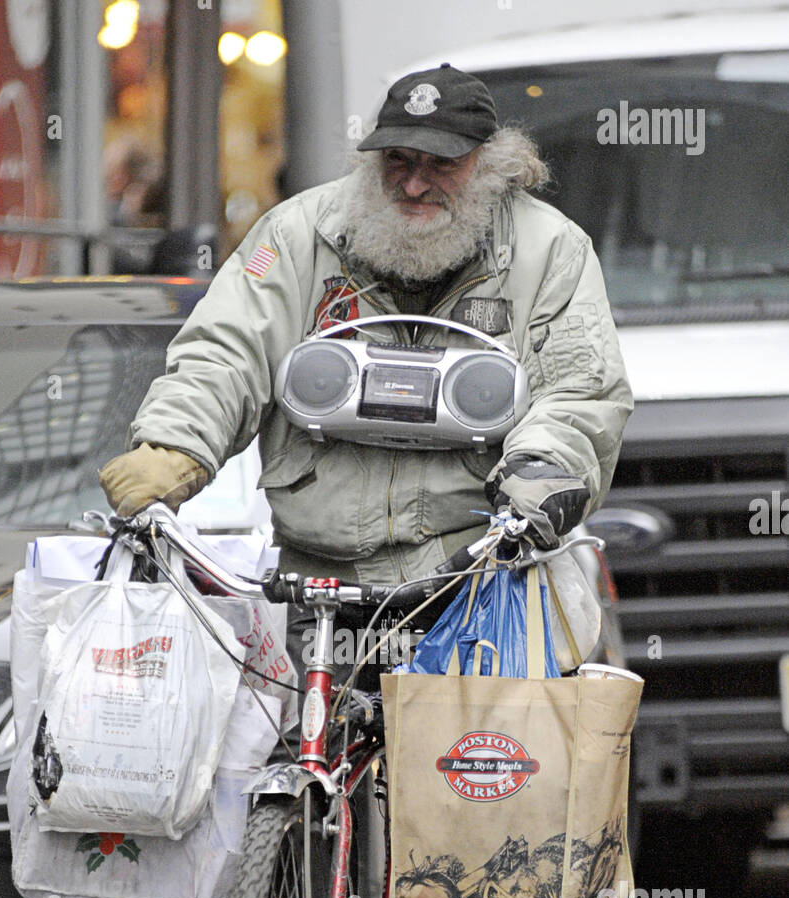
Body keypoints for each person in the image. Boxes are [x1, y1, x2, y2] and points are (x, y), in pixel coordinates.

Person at [99, 63, 633, 583]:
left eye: (440, 163)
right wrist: (175, 447)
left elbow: (581, 389)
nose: (415, 184)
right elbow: (227, 354)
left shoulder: (551, 250)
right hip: (317, 579)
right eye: (397, 159)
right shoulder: (297, 234)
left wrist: (542, 467)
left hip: (481, 573)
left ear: (493, 165)